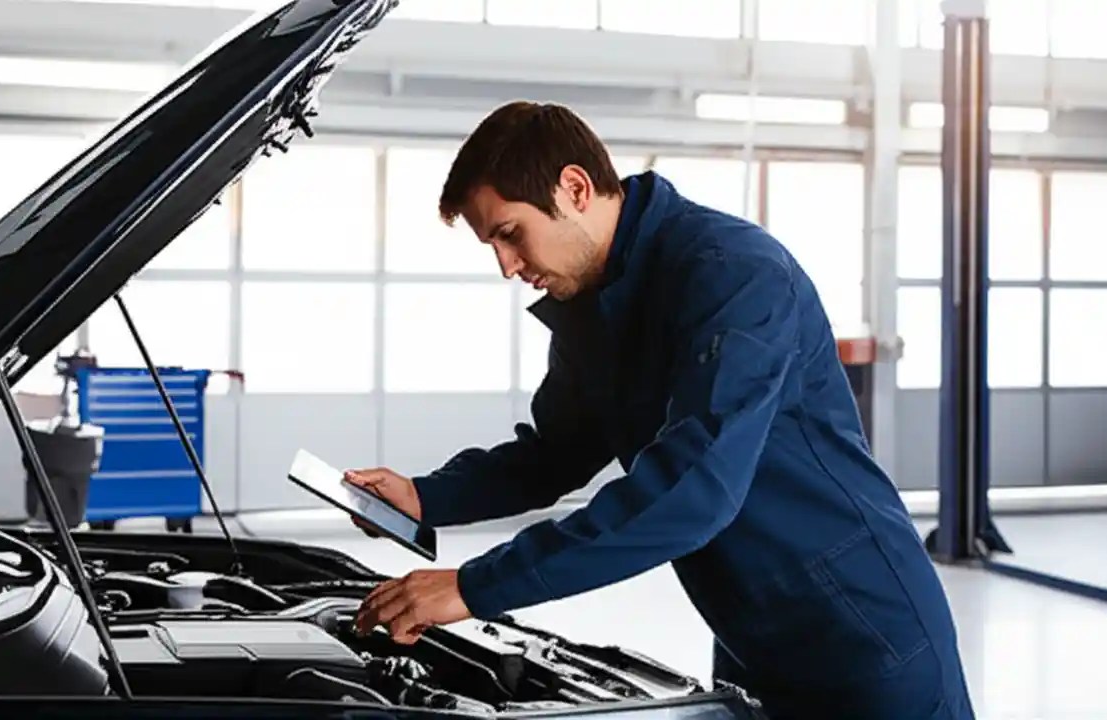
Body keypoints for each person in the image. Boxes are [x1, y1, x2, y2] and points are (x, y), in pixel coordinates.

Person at [345, 100, 975, 720]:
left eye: (510, 234)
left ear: (574, 188)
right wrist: (427, 499)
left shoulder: (736, 276)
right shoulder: (596, 302)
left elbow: (692, 489)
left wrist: (476, 586)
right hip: (751, 644)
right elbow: (556, 451)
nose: (507, 267)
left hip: (866, 640)